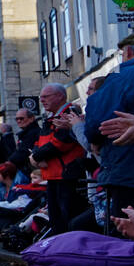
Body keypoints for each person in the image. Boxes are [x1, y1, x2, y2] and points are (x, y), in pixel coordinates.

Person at [85, 31, 134, 222]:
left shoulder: (124, 76)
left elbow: (97, 121)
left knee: (133, 238)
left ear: (128, 51)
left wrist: (93, 138)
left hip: (132, 171)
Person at [30, 83, 87, 234]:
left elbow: (61, 142)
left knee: (68, 217)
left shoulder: (70, 113)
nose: (42, 100)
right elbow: (40, 141)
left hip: (67, 174)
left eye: (46, 96)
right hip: (54, 175)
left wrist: (35, 156)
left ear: (60, 96)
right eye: (41, 97)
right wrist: (35, 155)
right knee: (56, 218)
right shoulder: (51, 117)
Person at [7, 106, 41, 179]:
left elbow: (23, 152)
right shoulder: (26, 133)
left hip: (30, 171)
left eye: (21, 118)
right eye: (17, 119)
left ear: (31, 118)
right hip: (27, 170)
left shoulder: (33, 133)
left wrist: (9, 162)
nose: (19, 121)